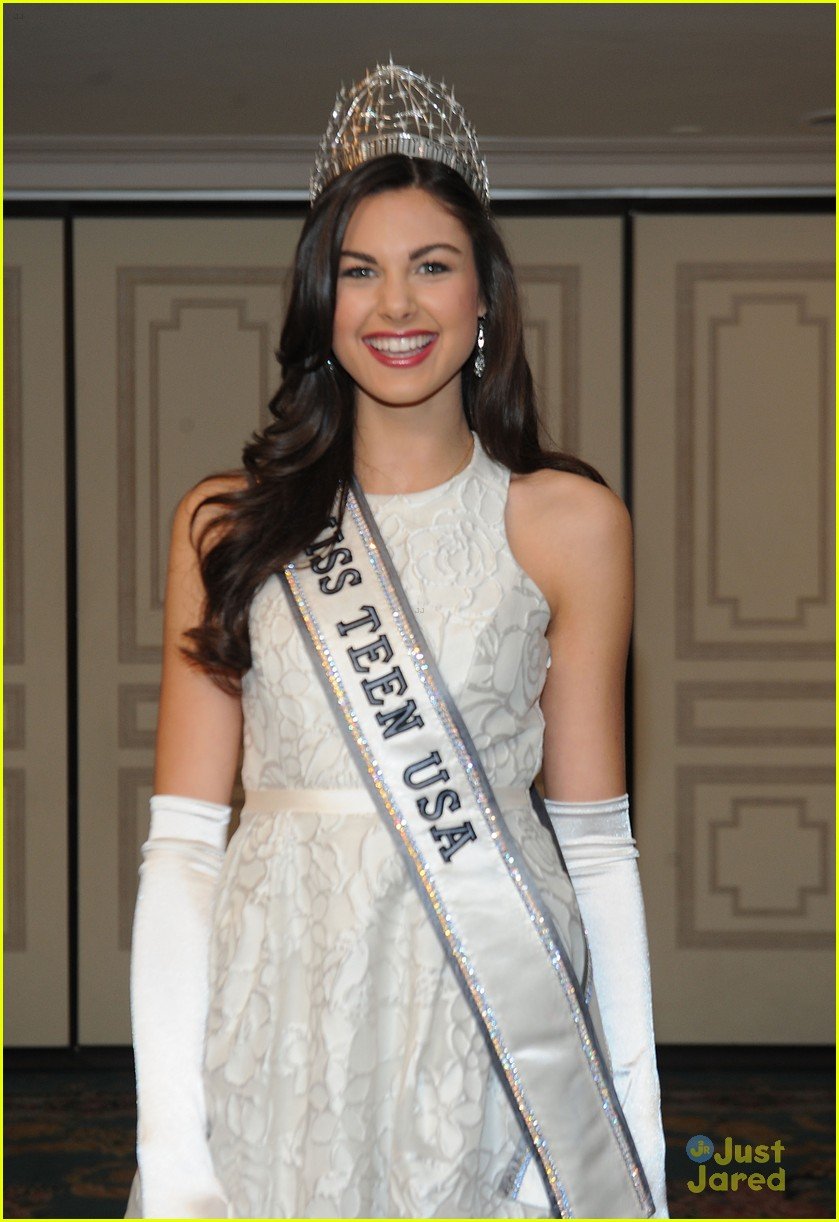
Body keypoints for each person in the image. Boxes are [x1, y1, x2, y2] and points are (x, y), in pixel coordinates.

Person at [126, 64, 669, 1220]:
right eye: (359, 272)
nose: (396, 306)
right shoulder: (226, 523)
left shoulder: (570, 524)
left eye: (432, 266)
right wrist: (170, 1141)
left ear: (483, 299)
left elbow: (597, 851)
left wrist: (635, 1137)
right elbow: (180, 848)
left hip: (482, 1011)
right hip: (275, 1000)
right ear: (321, 302)